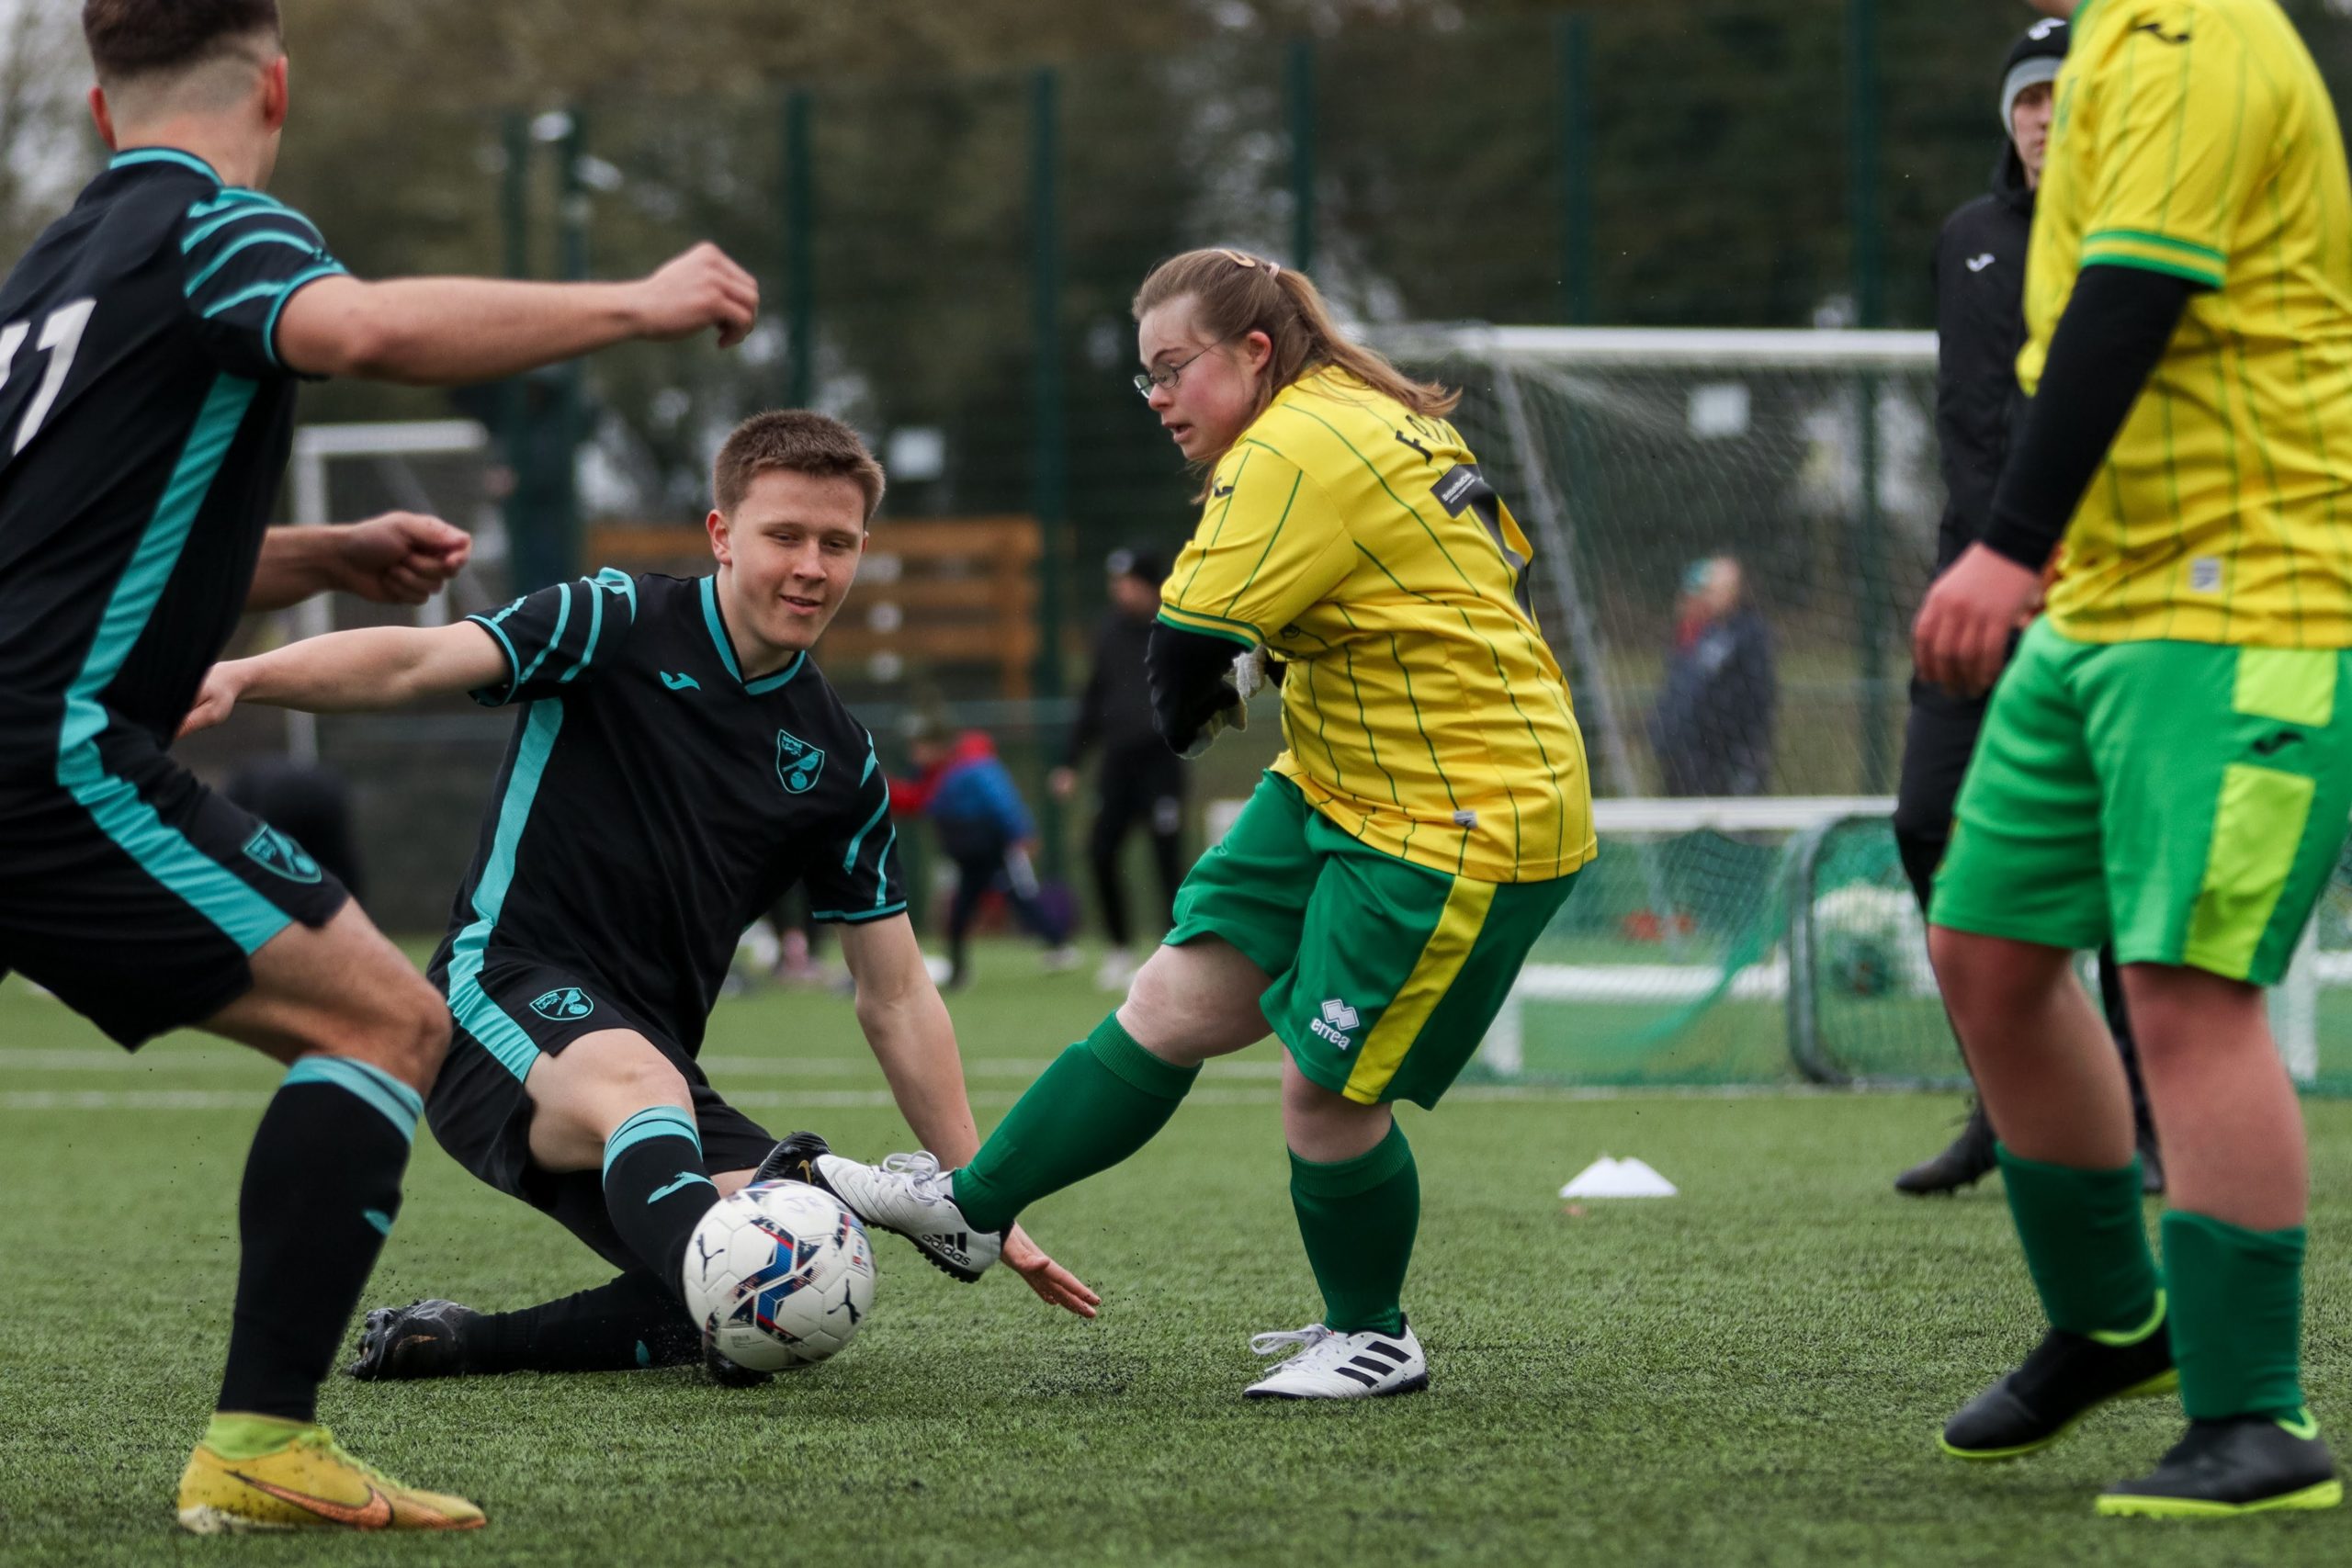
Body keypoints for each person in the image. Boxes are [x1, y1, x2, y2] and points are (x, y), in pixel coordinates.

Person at [0, 0, 760, 1534]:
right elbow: (362, 332)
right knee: (384, 1018)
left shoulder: (44, 280)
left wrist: (318, 556)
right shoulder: (213, 223)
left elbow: (75, 548)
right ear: (276, 88)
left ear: (95, 107)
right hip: (42, 754)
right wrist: (638, 301)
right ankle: (261, 1442)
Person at [771, 247, 1593, 1400]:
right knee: (1167, 1002)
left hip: (1458, 810)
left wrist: (1228, 678)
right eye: (1144, 377)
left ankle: (1374, 1336)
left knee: (1324, 1095)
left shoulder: (1288, 446)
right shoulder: (1367, 411)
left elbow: (1179, 675)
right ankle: (970, 1209)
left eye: (1173, 369)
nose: (1157, 398)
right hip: (1345, 777)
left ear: (1254, 352)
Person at [184, 412, 1098, 1389]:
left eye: (836, 544)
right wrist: (242, 674)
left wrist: (978, 1197)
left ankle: (467, 1342)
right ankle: (814, 1187)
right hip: (497, 1002)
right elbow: (418, 660)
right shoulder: (611, 620)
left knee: (804, 1256)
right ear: (722, 535)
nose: (810, 567)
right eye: (784, 536)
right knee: (690, 1166)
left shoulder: (839, 761)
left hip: (649, 1078)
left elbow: (898, 994)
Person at [1912, 0, 2352, 1517]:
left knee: (2184, 984)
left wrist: (2003, 545)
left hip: (2246, 600)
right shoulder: (2110, 38)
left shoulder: (2186, 26)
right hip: (2104, 595)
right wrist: (2049, 553)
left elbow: (2136, 289)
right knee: (1984, 948)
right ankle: (2114, 1323)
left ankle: (2255, 1418)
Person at [1891, 17, 2161, 1200]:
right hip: (1971, 590)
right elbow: (1968, 427)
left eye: (2064, 95)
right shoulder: (1965, 239)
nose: (2045, 117)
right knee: (1926, 825)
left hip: (2104, 593)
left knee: (2117, 859)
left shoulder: (2135, 235)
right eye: (2028, 100)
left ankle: (2136, 1117)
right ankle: (2007, 1099)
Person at [1050, 547, 1191, 991]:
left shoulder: (1173, 628)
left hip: (1161, 764)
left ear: (1149, 585)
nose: (1120, 591)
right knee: (1100, 850)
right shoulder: (1109, 631)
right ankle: (1119, 947)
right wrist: (1070, 762)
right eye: (1116, 583)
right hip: (1118, 765)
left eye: (1128, 582)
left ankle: (1177, 952)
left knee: (1166, 857)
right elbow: (1093, 700)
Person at [897, 722, 1079, 987]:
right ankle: (959, 968)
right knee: (968, 906)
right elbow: (918, 802)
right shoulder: (936, 774)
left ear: (937, 746)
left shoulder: (973, 765)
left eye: (919, 748)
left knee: (1017, 895)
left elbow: (1002, 801)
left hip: (991, 849)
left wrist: (1022, 833)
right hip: (968, 855)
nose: (914, 755)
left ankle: (1058, 945)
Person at [1648, 554, 1774, 797]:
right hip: (1688, 761)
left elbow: (1755, 698)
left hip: (1726, 761)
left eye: (1715, 589)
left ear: (1734, 591)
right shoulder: (1705, 634)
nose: (1708, 596)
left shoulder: (1750, 635)